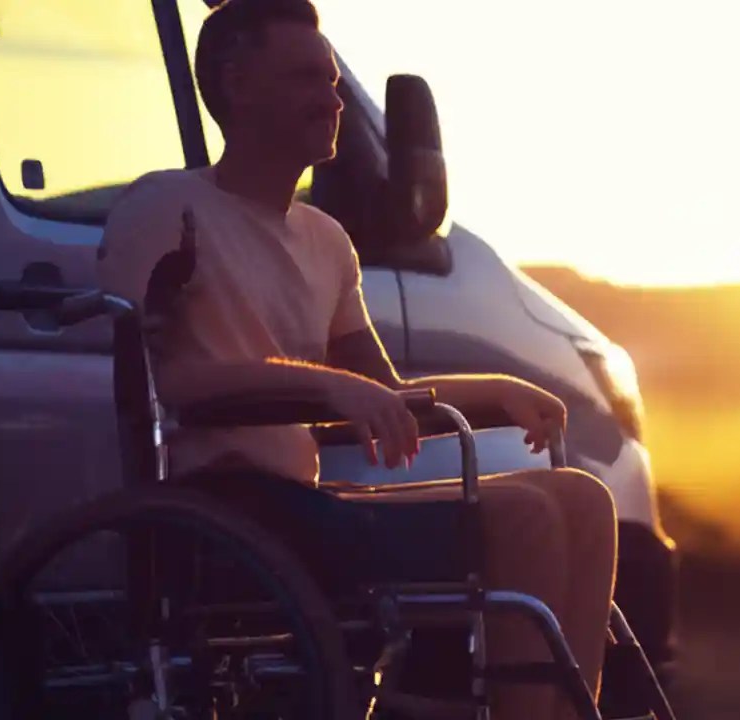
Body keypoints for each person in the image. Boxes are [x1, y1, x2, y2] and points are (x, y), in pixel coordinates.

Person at [98, 1, 617, 717]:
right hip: (222, 503)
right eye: (309, 78)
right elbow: (163, 385)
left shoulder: (326, 241)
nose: (333, 98)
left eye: (334, 80)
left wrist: (498, 394)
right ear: (238, 86)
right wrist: (325, 389)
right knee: (525, 517)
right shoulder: (166, 210)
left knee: (584, 499)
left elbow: (381, 395)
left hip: (304, 504)